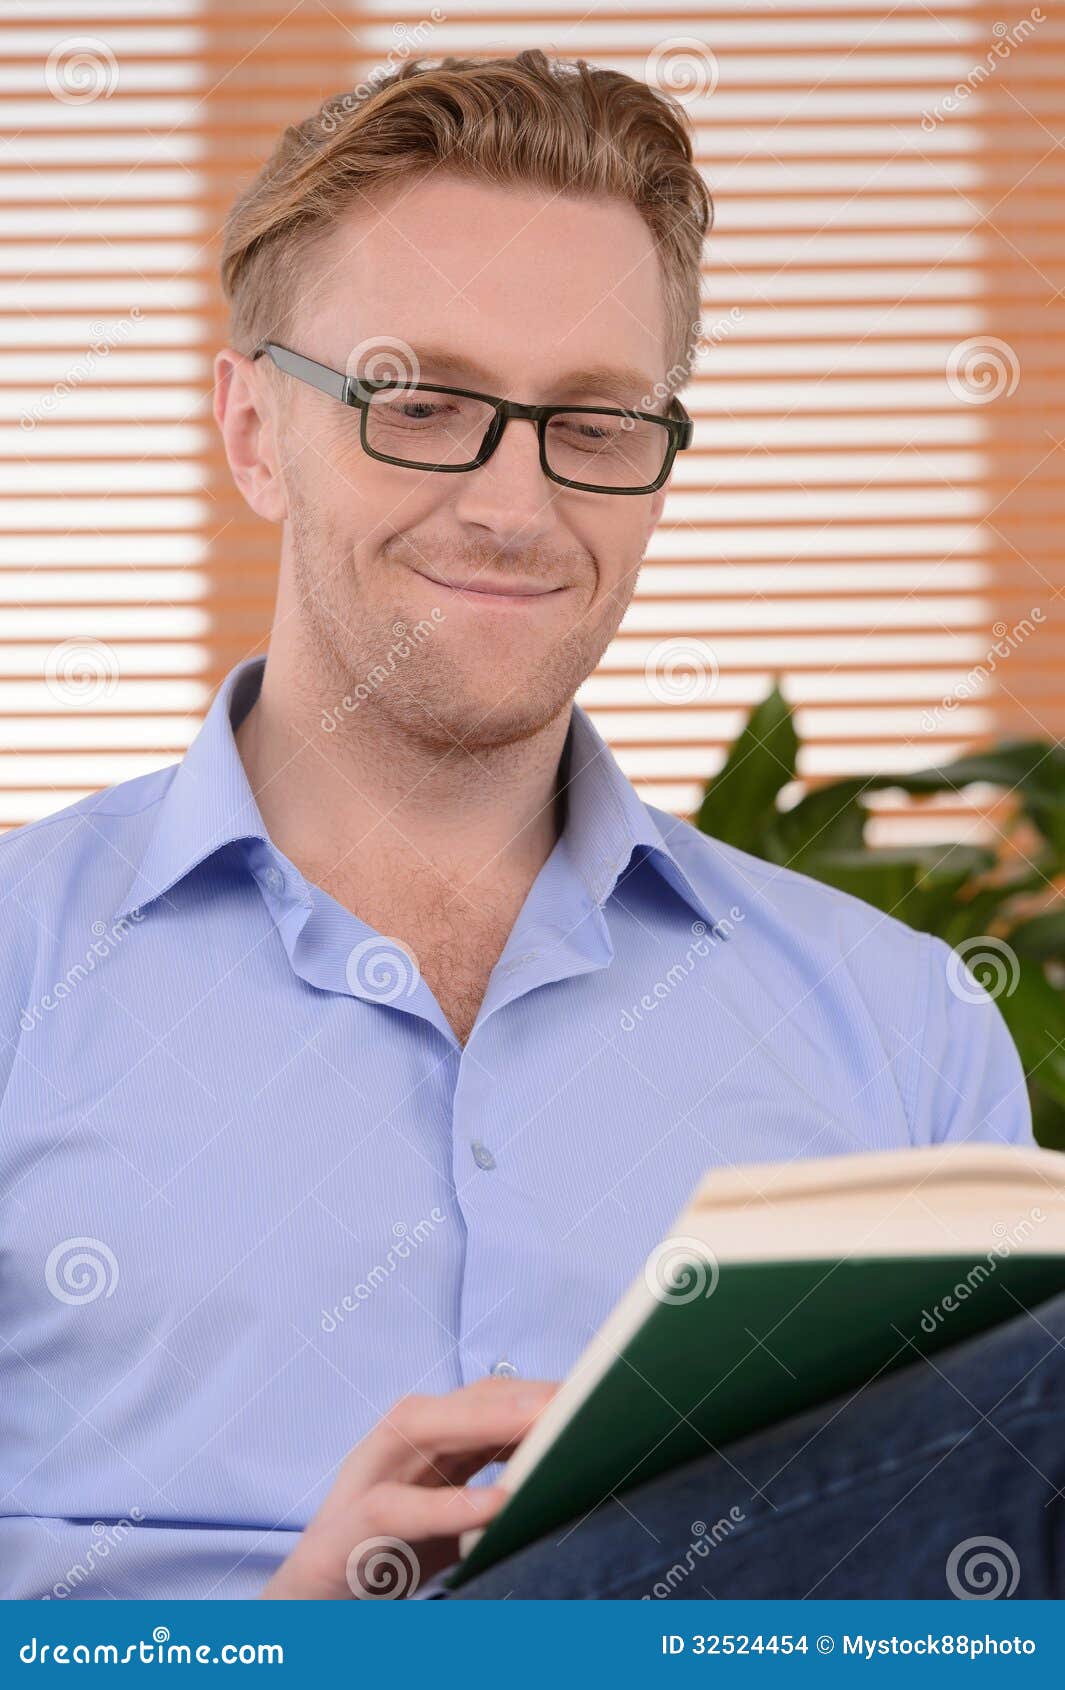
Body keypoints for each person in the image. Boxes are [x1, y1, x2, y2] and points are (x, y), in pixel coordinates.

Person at [0, 51, 1041, 1602]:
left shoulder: (899, 1031)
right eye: (419, 400)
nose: (512, 503)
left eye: (597, 422)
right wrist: (287, 1651)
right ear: (249, 429)